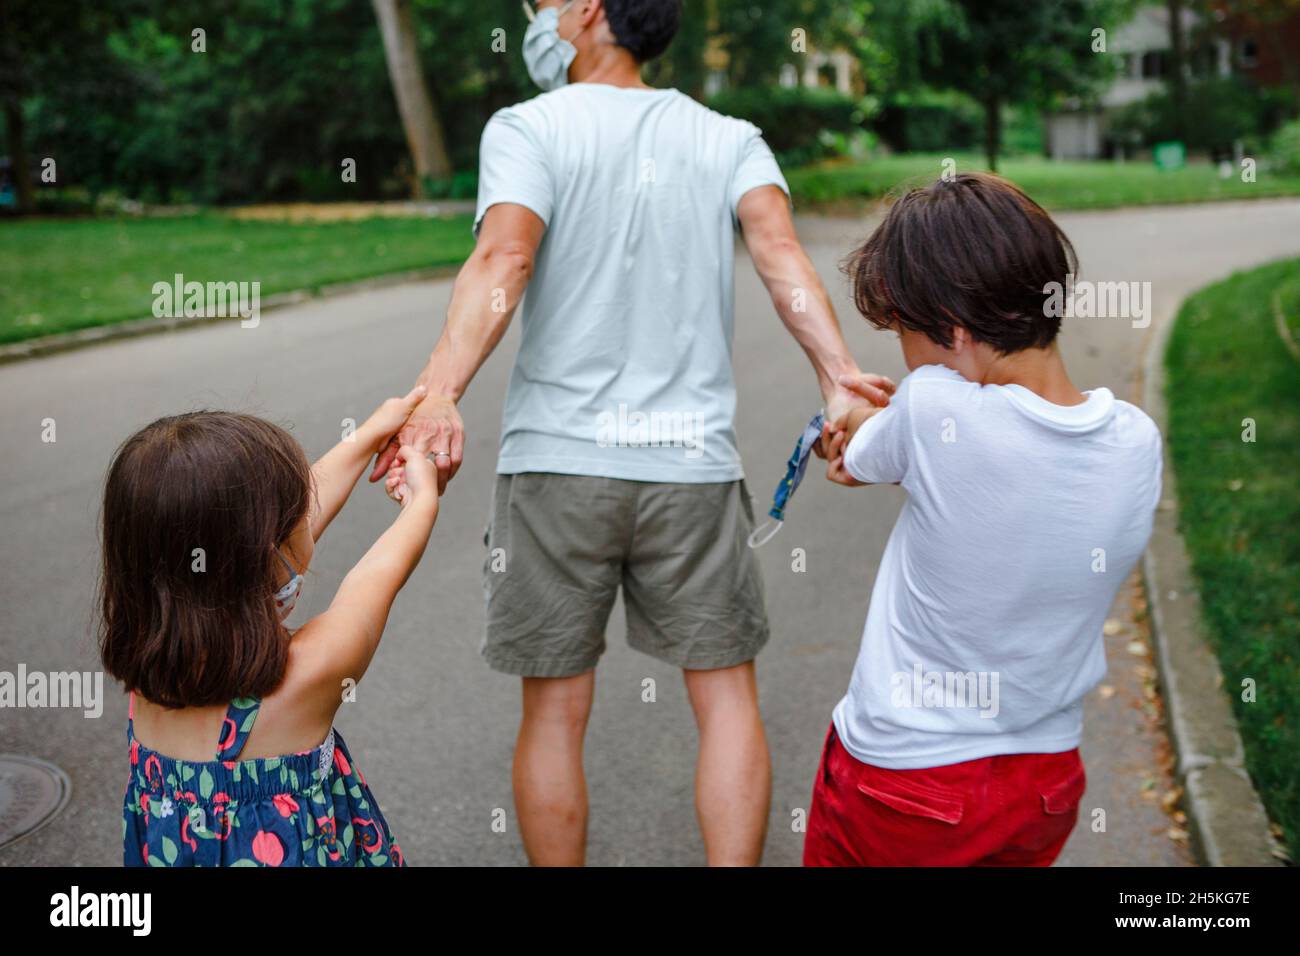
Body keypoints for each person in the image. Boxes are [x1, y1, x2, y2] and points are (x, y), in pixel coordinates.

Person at [372, 0, 885, 866]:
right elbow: (780, 253)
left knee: (556, 713)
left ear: (592, 12)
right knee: (724, 701)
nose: (536, 12)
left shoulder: (529, 127)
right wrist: (837, 373)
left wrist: (439, 392)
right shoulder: (729, 137)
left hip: (558, 464)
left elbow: (504, 257)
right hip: (693, 469)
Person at [805, 172, 1163, 867]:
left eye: (904, 331)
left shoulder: (934, 407)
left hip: (906, 782)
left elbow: (857, 453)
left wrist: (851, 414)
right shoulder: (1135, 440)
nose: (904, 355)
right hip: (1044, 782)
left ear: (955, 329)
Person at [101, 389, 438, 867]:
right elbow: (377, 576)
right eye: (300, 513)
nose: (309, 514)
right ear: (263, 555)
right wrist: (421, 498)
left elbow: (247, 532)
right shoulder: (308, 674)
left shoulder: (150, 665)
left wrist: (371, 433)